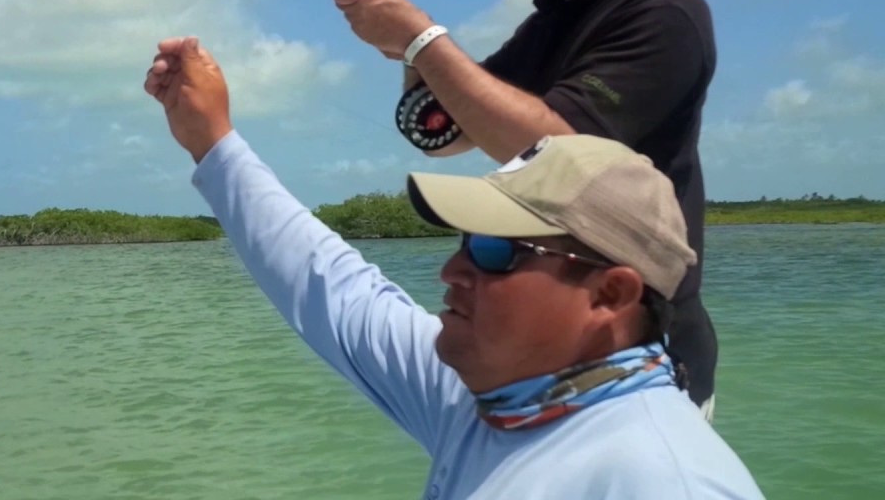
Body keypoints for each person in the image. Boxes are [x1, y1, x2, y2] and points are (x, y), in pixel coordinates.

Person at [142, 36, 763, 499]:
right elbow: (328, 284)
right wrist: (213, 142)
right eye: (467, 241)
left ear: (610, 294)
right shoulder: (490, 397)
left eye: (496, 252)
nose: (453, 271)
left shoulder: (663, 480)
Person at [330, 0, 720, 417]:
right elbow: (444, 132)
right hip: (544, 359)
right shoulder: (557, 14)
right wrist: (412, 53)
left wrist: (422, 37)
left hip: (640, 363)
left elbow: (556, 155)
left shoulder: (665, 12)